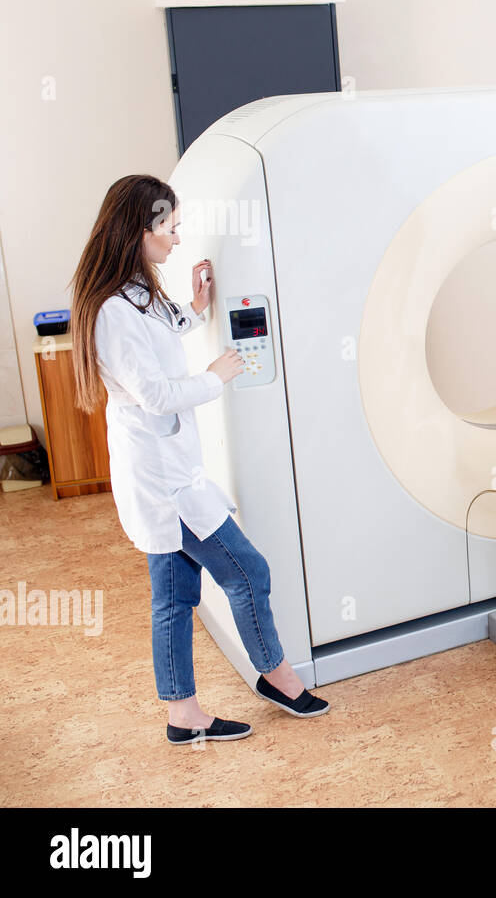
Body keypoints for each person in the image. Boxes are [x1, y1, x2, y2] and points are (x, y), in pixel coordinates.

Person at [70, 174, 328, 745]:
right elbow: (156, 392)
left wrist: (196, 307)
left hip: (168, 469)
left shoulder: (139, 291)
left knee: (174, 595)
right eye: (171, 227)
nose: (178, 238)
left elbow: (162, 333)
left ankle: (182, 715)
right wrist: (214, 377)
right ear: (139, 230)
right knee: (248, 570)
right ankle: (278, 679)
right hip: (165, 480)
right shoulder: (113, 309)